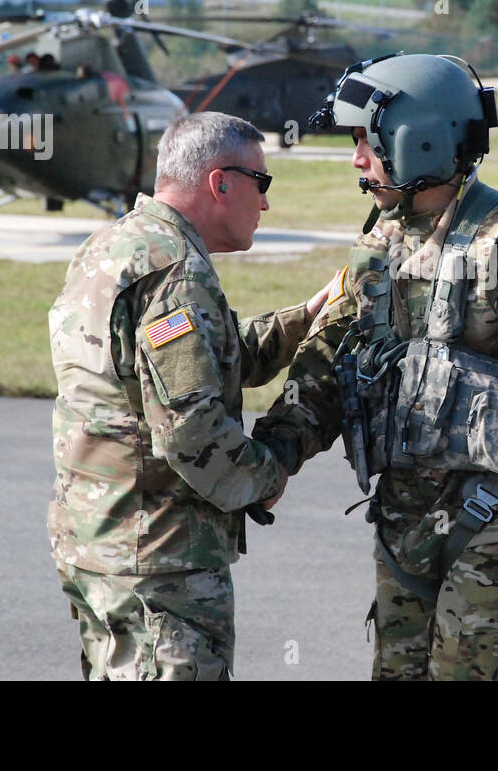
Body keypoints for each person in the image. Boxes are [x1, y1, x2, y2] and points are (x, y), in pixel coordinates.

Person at [253, 54, 498, 680]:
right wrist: (269, 459)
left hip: (497, 527)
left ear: (416, 139)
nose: (356, 160)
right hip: (404, 526)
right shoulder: (380, 243)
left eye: (365, 143)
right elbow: (328, 367)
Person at [48, 112, 328, 680]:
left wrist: (307, 319)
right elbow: (192, 430)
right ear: (220, 182)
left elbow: (197, 365)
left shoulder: (114, 245)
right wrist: (265, 477)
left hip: (102, 543)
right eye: (262, 183)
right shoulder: (176, 272)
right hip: (160, 560)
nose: (266, 204)